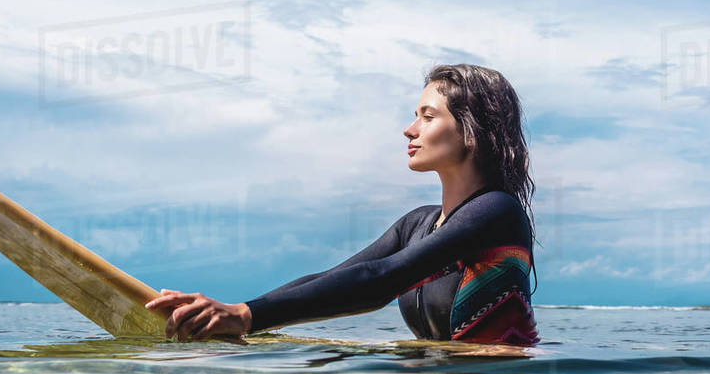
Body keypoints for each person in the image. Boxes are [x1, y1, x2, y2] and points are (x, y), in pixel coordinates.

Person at [145, 63, 541, 346]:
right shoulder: (417, 224)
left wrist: (247, 316)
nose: (410, 128)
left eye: (427, 116)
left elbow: (381, 280)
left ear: (472, 131)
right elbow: (331, 278)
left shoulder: (497, 212)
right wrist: (239, 315)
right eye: (414, 116)